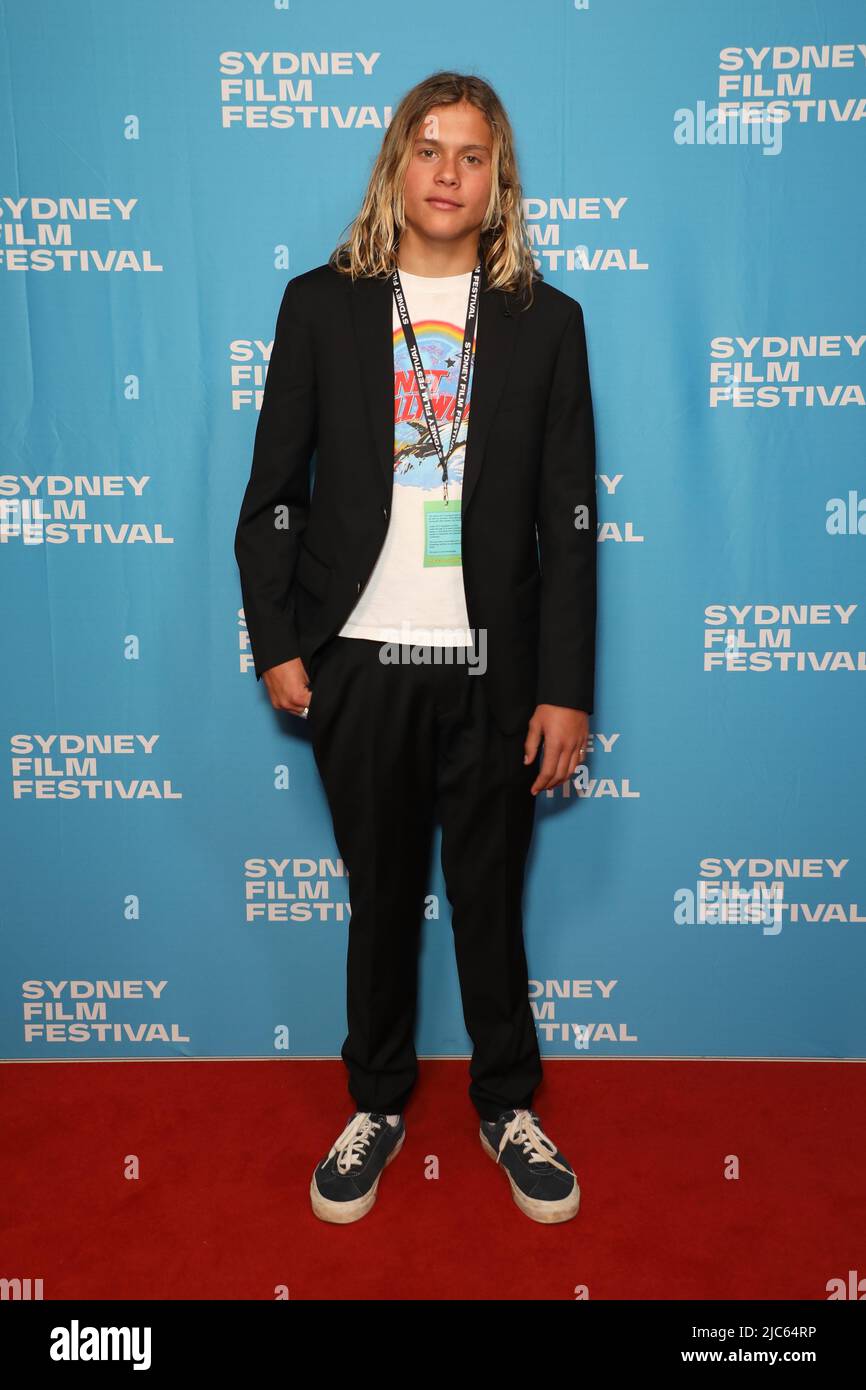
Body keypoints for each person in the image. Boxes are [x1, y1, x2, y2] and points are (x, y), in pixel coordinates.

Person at [234, 71, 597, 1226]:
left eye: (473, 154)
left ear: (500, 183)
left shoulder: (547, 322)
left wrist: (565, 690)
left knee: (489, 899)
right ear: (396, 164)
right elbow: (270, 499)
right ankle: (377, 1100)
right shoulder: (320, 306)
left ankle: (506, 1104)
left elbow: (569, 528)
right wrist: (283, 642)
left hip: (492, 669)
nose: (449, 172)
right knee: (380, 899)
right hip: (360, 661)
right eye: (428, 148)